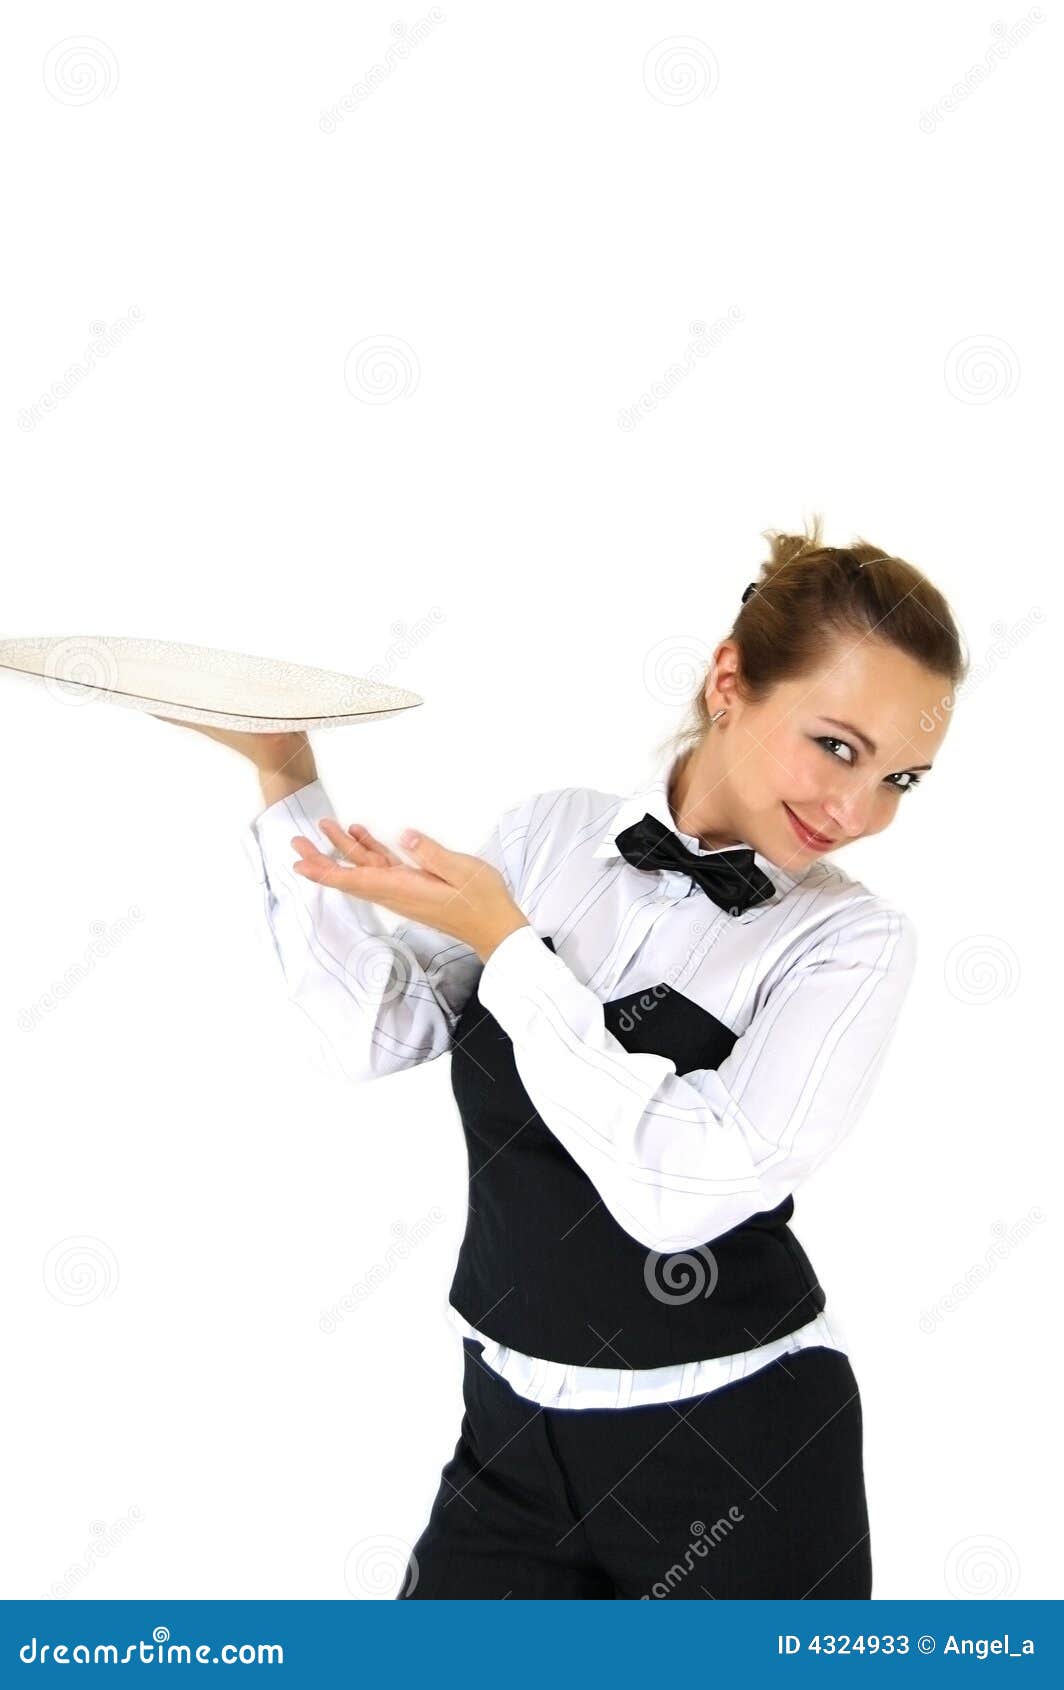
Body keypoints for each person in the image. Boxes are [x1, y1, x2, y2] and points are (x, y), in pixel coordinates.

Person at [157, 517, 966, 1598]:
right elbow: (374, 1030)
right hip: (507, 1435)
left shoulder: (848, 942)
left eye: (898, 781)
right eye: (836, 746)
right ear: (730, 682)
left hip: (737, 1451)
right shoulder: (548, 840)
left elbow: (678, 1193)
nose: (854, 811)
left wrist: (512, 948)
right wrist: (285, 770)